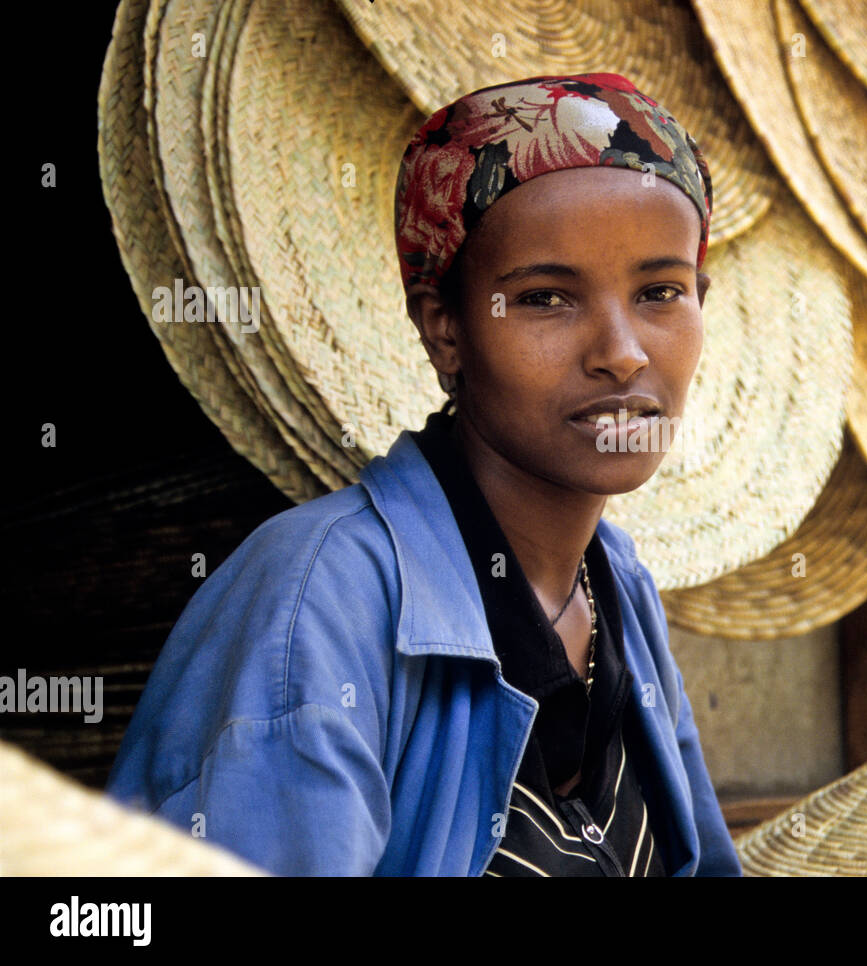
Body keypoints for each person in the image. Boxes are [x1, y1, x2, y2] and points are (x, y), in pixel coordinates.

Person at [106, 72, 742, 877]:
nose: (622, 351)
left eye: (661, 291)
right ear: (445, 330)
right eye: (546, 298)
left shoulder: (618, 585)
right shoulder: (313, 608)